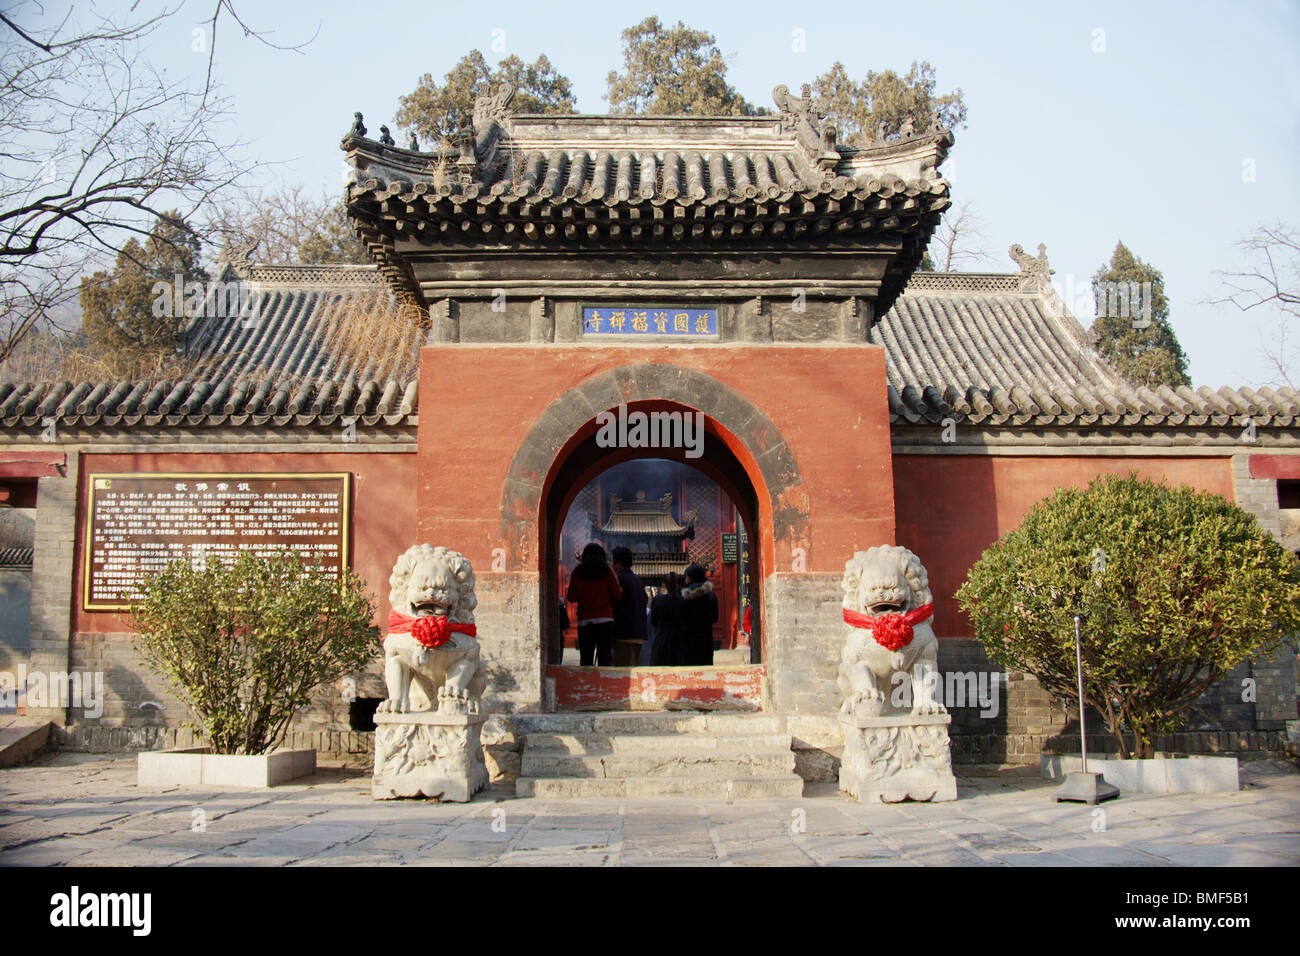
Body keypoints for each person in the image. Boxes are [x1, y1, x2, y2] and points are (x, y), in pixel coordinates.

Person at [564, 543, 622, 666]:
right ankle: (605, 683)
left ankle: (587, 683)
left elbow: (571, 597)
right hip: (605, 620)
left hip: (585, 621)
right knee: (605, 658)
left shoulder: (577, 572)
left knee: (586, 659)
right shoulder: (606, 572)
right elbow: (618, 595)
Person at [610, 547, 647, 661]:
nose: (611, 564)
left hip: (624, 634)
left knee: (622, 673)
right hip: (639, 633)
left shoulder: (618, 579)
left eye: (612, 561)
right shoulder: (638, 580)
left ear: (618, 562)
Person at [679, 563, 718, 666]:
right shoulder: (710, 594)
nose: (685, 579)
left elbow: (680, 616)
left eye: (686, 576)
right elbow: (715, 617)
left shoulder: (684, 594)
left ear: (692, 577)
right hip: (706, 637)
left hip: (688, 638)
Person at [645, 571, 684, 666]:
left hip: (661, 639)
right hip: (678, 641)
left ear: (664, 585)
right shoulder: (682, 601)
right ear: (677, 584)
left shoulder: (658, 600)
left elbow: (653, 621)